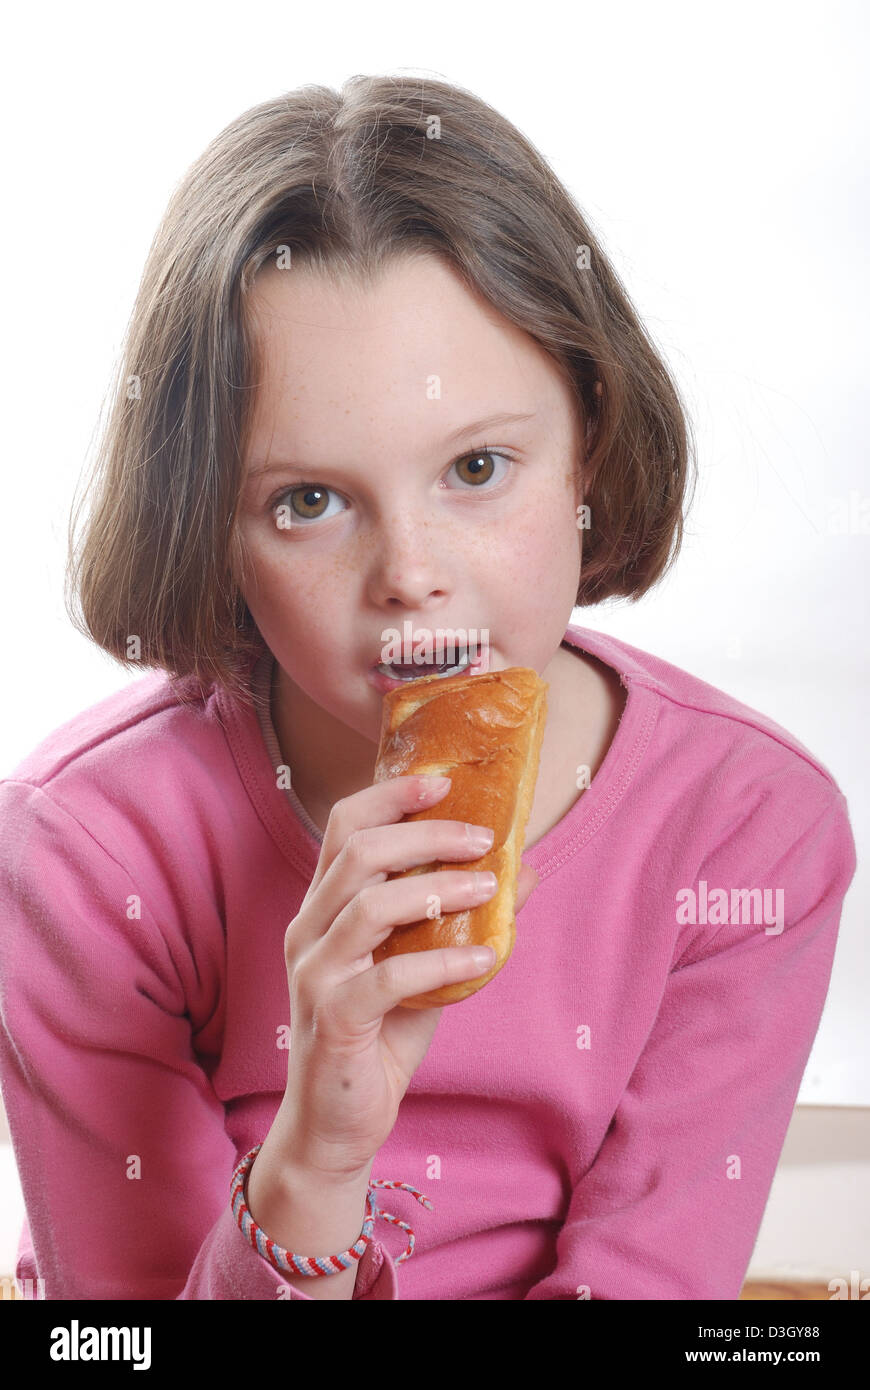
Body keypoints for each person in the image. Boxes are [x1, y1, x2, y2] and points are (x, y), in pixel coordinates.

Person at [0, 76, 856, 1301]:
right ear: (213, 533)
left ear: (592, 446)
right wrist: (317, 1152)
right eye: (308, 501)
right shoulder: (83, 851)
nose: (410, 576)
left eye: (476, 467)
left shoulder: (750, 830)